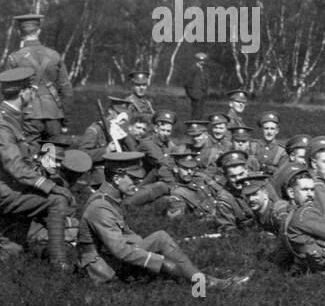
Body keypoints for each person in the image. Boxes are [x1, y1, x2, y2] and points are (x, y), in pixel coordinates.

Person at [77, 150, 247, 289]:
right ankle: (206, 284)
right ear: (116, 178)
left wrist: (153, 254)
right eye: (133, 179)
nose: (137, 184)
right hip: (104, 271)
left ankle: (205, 281)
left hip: (111, 260)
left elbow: (125, 236)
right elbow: (120, 251)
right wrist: (160, 261)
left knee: (161, 239)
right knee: (163, 245)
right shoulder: (100, 206)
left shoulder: (109, 199)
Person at [0, 67, 72, 269]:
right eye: (32, 90)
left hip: (10, 188)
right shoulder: (4, 123)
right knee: (57, 200)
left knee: (12, 253)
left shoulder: (11, 117)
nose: (33, 94)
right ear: (23, 93)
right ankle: (59, 266)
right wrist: (47, 185)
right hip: (5, 192)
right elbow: (13, 165)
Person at [3, 12, 71, 139]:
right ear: (39, 31)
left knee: (29, 154)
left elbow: (7, 92)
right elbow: (66, 91)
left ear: (19, 32)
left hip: (28, 116)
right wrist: (65, 120)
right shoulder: (54, 55)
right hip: (54, 115)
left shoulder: (14, 58)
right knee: (52, 154)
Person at [185, 52, 210, 120]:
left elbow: (205, 82)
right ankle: (194, 126)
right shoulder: (193, 69)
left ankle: (199, 126)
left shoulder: (203, 70)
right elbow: (187, 83)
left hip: (202, 94)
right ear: (197, 61)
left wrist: (205, 92)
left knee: (201, 113)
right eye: (200, 60)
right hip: (195, 94)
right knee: (195, 113)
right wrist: (192, 94)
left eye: (203, 60)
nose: (202, 62)